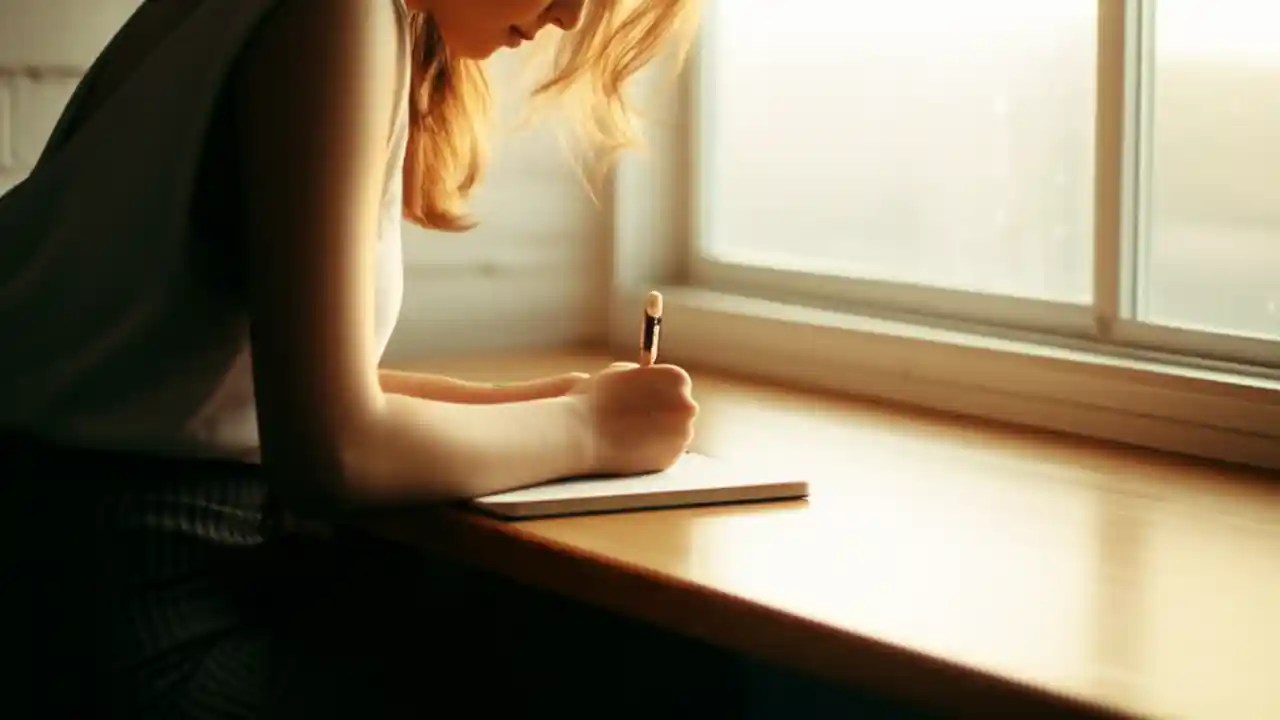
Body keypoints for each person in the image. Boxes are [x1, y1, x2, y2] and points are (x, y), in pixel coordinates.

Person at [0, 0, 712, 716]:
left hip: (72, 584)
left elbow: (245, 387)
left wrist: (549, 405)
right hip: (136, 636)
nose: (570, 14)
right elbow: (331, 451)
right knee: (644, 671)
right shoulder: (333, 16)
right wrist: (588, 428)